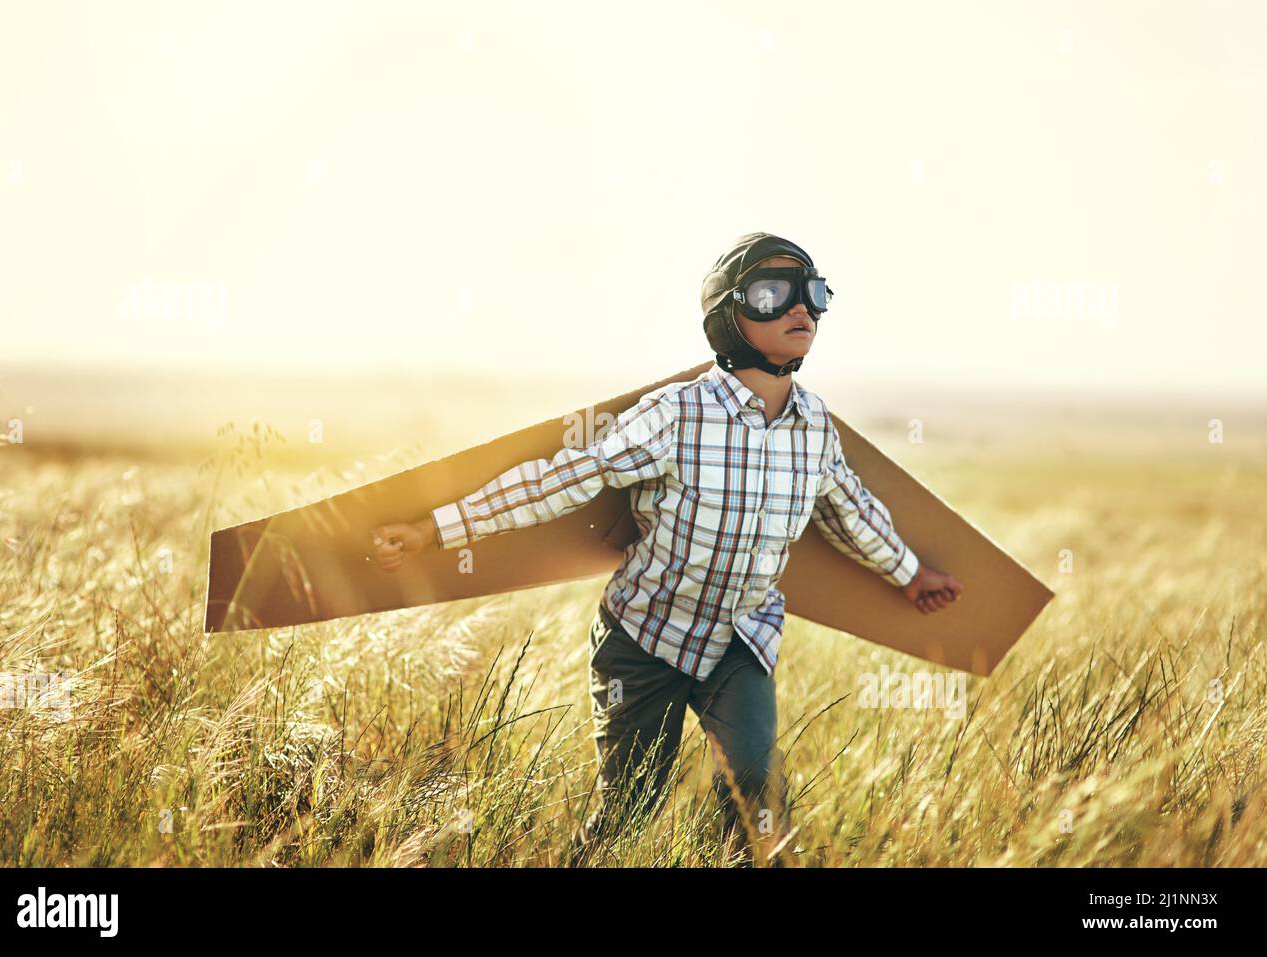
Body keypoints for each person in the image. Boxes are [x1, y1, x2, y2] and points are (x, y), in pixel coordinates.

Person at [370, 232, 964, 866]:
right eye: (774, 294)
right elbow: (568, 478)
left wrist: (908, 574)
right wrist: (439, 527)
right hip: (645, 639)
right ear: (729, 317)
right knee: (627, 811)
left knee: (758, 800)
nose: (801, 311)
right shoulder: (676, 414)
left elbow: (850, 511)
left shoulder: (815, 426)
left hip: (741, 641)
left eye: (812, 295)